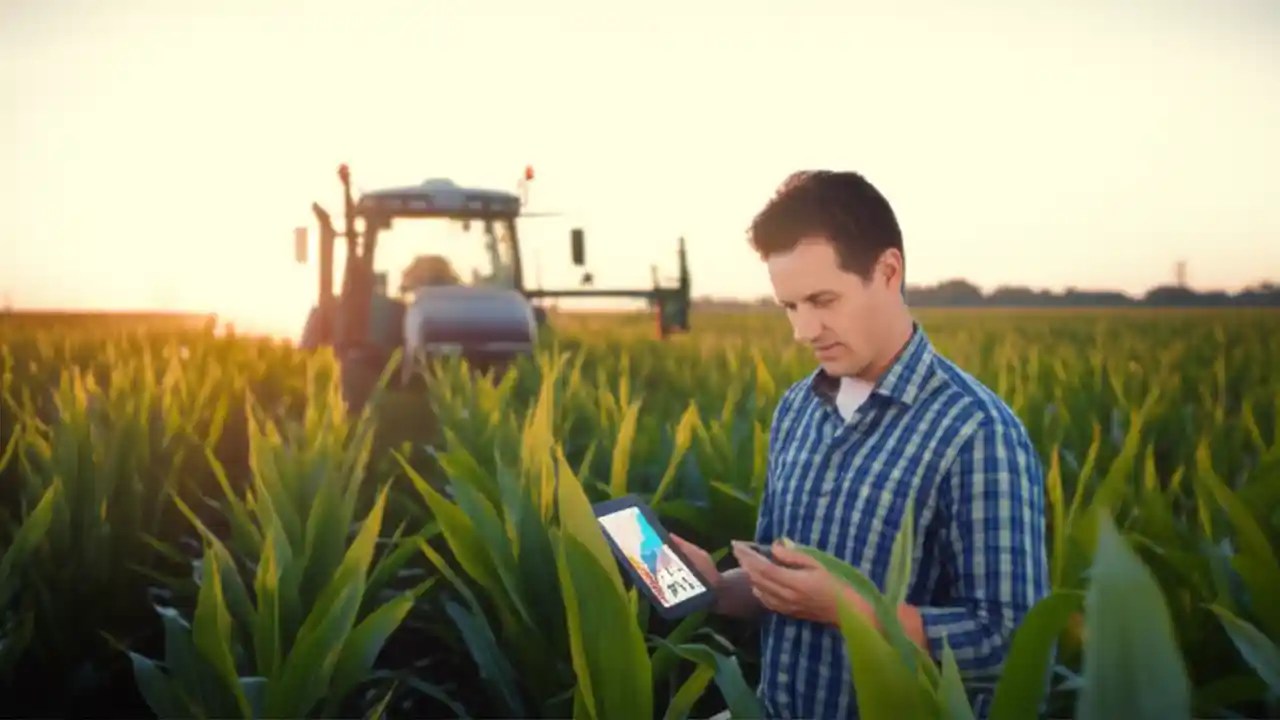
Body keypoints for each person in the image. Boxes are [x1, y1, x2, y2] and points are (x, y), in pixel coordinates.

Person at [670, 170, 1049, 719]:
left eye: (824, 300)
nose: (805, 329)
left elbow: (1011, 645)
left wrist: (853, 610)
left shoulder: (976, 431)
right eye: (790, 306)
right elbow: (785, 588)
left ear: (888, 271)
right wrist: (719, 588)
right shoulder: (798, 409)